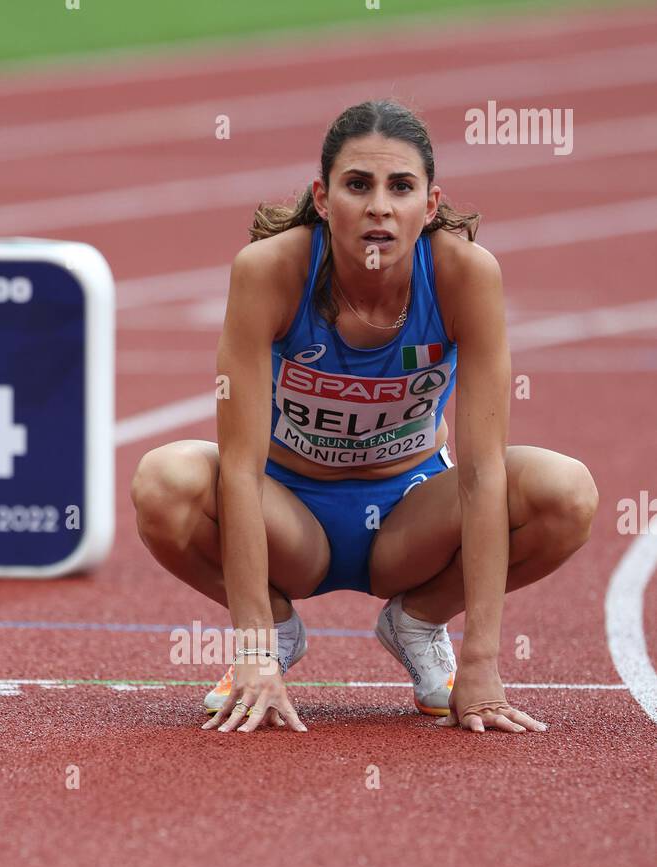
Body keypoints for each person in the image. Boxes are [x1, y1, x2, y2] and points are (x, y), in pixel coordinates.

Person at [130, 99, 598, 735]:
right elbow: (238, 469)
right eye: (358, 185)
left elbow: (483, 473)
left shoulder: (465, 275)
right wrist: (253, 648)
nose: (379, 205)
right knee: (163, 481)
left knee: (566, 493)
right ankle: (280, 630)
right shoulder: (269, 271)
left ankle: (419, 622)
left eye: (400, 187)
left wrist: (484, 662)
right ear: (323, 199)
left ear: (429, 206)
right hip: (287, 516)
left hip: (412, 515)